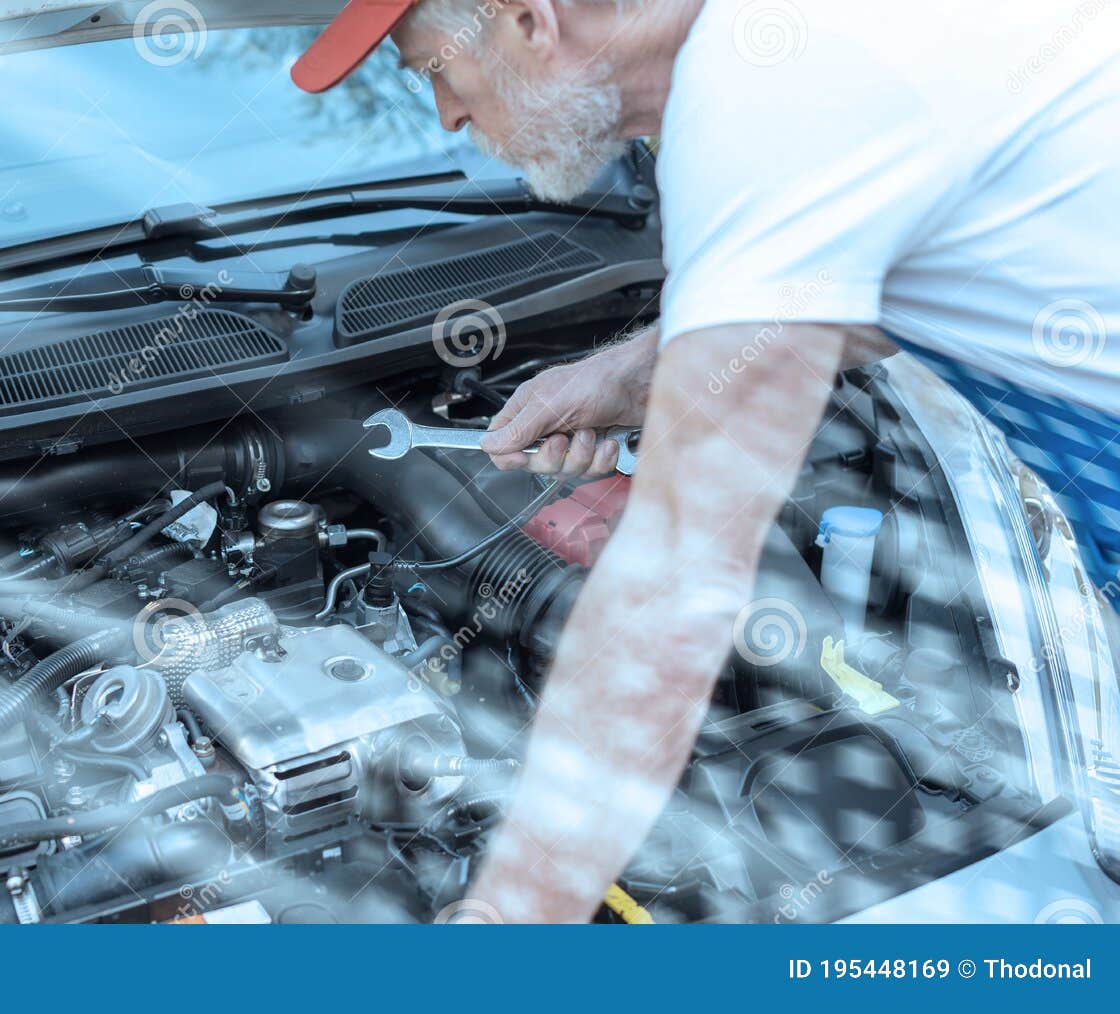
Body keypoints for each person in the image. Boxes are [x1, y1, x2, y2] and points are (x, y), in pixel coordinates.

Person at [291, 0, 1120, 921]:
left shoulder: (748, 112)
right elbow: (880, 276)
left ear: (529, 19)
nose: (446, 117)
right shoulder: (788, 47)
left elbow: (672, 600)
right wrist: (635, 372)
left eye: (434, 71)